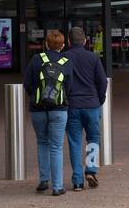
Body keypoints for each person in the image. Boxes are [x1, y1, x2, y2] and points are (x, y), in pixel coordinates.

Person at [25, 29, 73, 196]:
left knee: (42, 143)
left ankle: (44, 180)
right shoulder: (67, 61)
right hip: (59, 110)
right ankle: (58, 186)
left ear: (46, 44)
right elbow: (69, 87)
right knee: (56, 147)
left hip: (37, 109)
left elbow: (27, 84)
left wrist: (38, 97)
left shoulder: (37, 59)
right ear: (63, 45)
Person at [64, 26, 107, 191]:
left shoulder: (64, 58)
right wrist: (99, 99)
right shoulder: (93, 58)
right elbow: (102, 81)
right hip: (92, 104)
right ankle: (91, 171)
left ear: (68, 41)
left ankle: (77, 181)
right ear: (85, 41)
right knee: (93, 139)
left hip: (72, 105)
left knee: (74, 142)